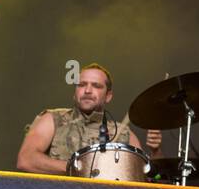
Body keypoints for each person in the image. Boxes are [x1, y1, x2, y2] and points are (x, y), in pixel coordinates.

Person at [16, 63, 161, 175]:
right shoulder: (52, 118)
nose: (87, 90)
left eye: (96, 86)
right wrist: (82, 168)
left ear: (108, 96)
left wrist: (155, 152)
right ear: (75, 93)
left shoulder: (124, 132)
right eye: (81, 85)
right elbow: (26, 159)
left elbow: (144, 174)